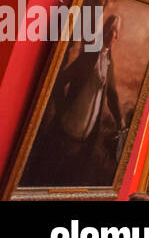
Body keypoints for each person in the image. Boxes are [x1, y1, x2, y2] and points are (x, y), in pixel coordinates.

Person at [26, 14, 126, 186]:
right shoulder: (90, 54)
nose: (112, 35)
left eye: (115, 32)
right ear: (104, 31)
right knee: (47, 173)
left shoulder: (109, 62)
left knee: (68, 180)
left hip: (87, 136)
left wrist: (121, 123)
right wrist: (62, 109)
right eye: (109, 30)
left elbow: (112, 95)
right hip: (68, 128)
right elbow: (60, 81)